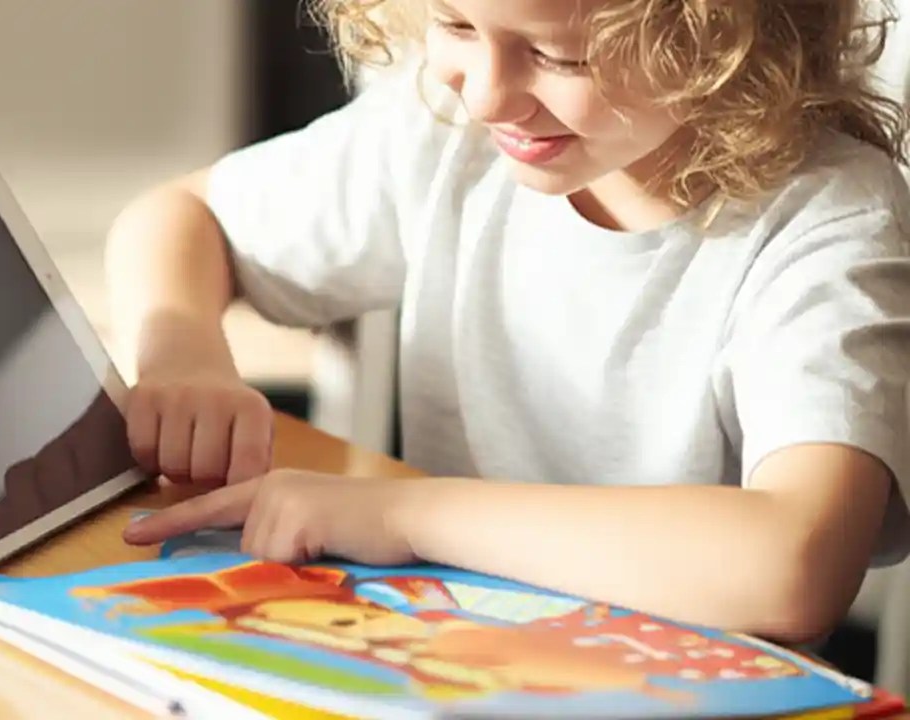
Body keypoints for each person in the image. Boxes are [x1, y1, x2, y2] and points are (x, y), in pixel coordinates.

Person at [103, 0, 910, 644]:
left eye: (562, 56)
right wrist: (183, 352)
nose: (486, 93)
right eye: (454, 22)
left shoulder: (831, 222)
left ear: (729, 40)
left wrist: (400, 514)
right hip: (442, 660)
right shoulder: (445, 134)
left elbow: (794, 564)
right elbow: (179, 216)